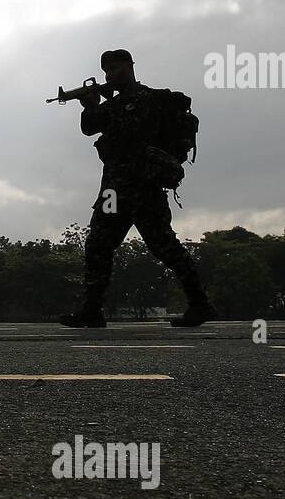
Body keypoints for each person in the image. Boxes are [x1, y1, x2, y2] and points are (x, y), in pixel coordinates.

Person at [59, 49, 216, 328]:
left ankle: (200, 304)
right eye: (106, 71)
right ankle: (92, 310)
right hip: (113, 190)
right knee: (97, 244)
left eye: (115, 68)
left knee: (164, 246)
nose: (110, 75)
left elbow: (130, 131)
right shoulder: (114, 105)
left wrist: (103, 106)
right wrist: (90, 105)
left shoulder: (148, 99)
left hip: (145, 188)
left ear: (130, 68)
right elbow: (89, 128)